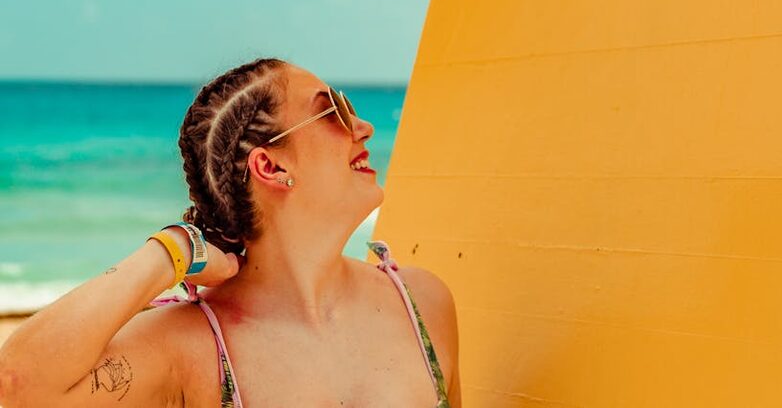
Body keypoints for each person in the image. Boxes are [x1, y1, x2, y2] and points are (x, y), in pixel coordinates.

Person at [0, 58, 460, 407]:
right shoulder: (189, 346)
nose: (364, 128)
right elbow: (18, 386)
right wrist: (174, 249)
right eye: (333, 113)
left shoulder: (422, 303)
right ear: (271, 166)